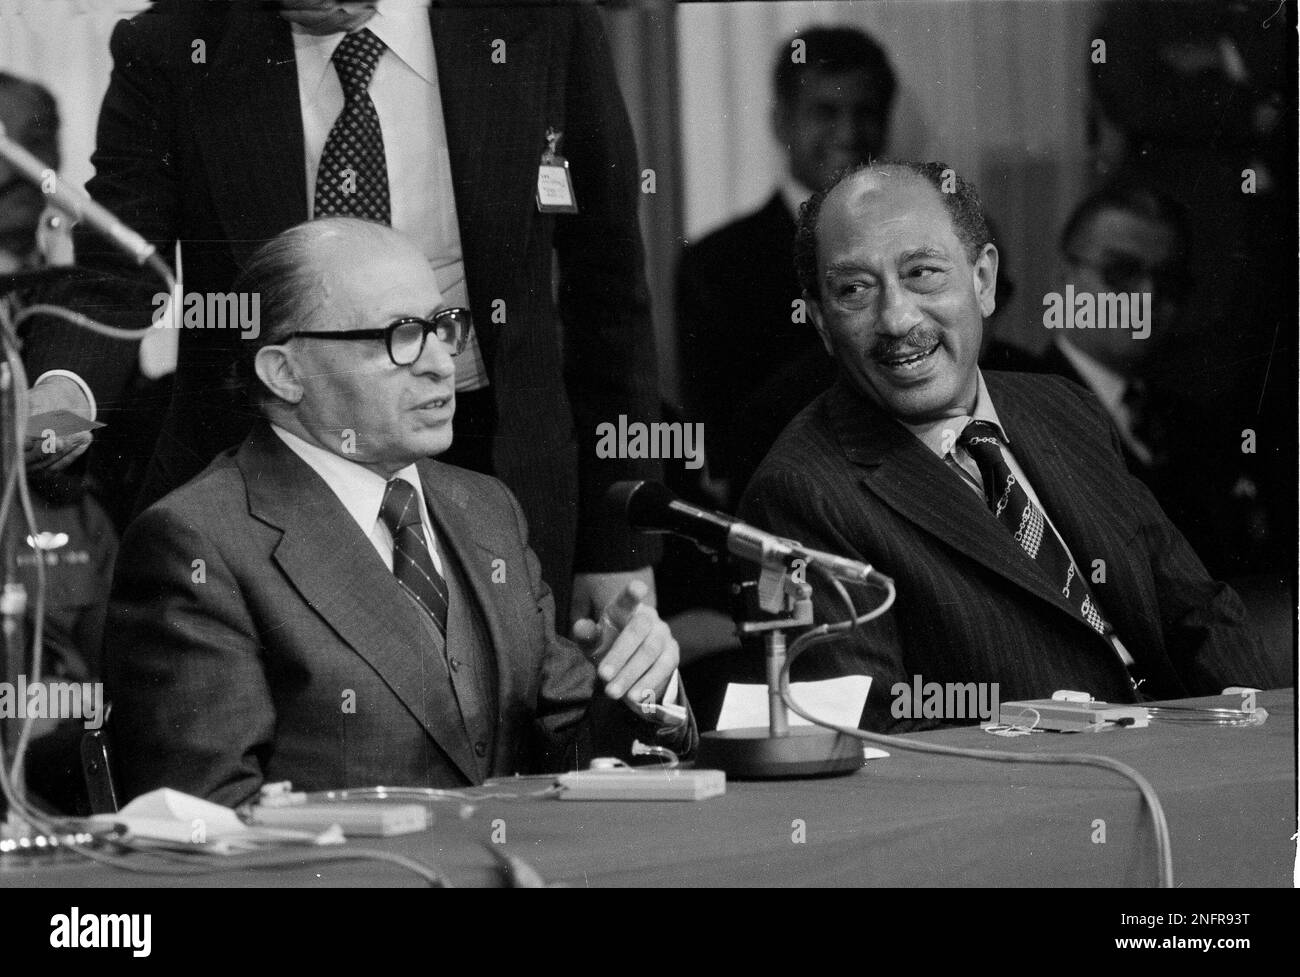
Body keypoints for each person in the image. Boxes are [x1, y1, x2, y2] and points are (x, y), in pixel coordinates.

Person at [39, 0, 662, 627]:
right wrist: (64, 393)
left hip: (495, 459)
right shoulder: (176, 43)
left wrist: (619, 544)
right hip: (266, 470)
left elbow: (608, 292)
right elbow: (115, 266)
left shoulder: (541, 23)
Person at [104, 219, 694, 808]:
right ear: (285, 374)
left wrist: (644, 686)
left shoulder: (486, 509)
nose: (443, 363)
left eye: (444, 327)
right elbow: (207, 822)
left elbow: (564, 755)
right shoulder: (199, 542)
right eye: (401, 336)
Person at [739, 161, 1278, 733]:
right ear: (822, 323)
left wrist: (1272, 744)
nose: (896, 318)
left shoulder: (1063, 409)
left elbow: (1196, 611)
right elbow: (882, 744)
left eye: (923, 273)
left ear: (984, 280)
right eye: (854, 290)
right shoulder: (801, 494)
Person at [983, 181, 1277, 578]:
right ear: (1063, 276)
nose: (1147, 294)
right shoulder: (1015, 408)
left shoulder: (1199, 423)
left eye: (1168, 278)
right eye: (1121, 272)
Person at [676, 27, 896, 511]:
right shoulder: (716, 264)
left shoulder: (915, 249)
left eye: (866, 112)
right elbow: (720, 441)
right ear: (781, 123)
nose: (849, 133)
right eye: (825, 112)